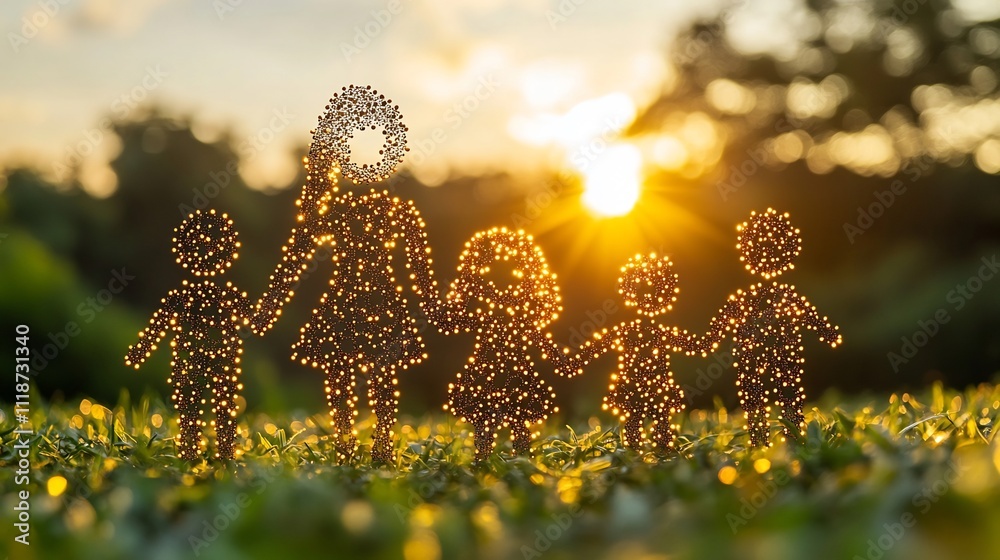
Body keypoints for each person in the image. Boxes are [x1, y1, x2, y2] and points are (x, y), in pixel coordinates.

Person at [252, 85, 443, 463]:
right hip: (352, 301)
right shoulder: (341, 211)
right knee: (346, 372)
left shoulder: (393, 213)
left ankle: (380, 442)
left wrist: (438, 310)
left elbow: (421, 272)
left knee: (379, 374)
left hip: (375, 301)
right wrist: (269, 307)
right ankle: (347, 441)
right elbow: (298, 252)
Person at [705, 208, 842, 447]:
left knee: (782, 395)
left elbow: (807, 314)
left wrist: (825, 331)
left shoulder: (771, 296)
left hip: (778, 351)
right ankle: (767, 438)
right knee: (765, 396)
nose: (767, 252)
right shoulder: (755, 297)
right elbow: (724, 321)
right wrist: (825, 331)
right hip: (761, 353)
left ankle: (785, 437)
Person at [441, 227, 576, 461]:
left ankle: (520, 458)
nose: (499, 280)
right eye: (487, 271)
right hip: (488, 373)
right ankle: (484, 458)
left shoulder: (518, 317)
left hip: (514, 375)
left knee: (518, 421)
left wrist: (561, 359)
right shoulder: (487, 315)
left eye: (514, 270)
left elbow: (539, 339)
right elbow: (450, 322)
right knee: (485, 421)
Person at [125, 209, 250, 461]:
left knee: (200, 410)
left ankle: (207, 453)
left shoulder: (192, 296)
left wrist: (140, 351)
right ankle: (208, 453)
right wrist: (140, 350)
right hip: (207, 360)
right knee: (204, 410)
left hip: (199, 360)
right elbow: (257, 321)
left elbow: (157, 326)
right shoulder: (218, 295)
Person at [561, 254, 702, 450]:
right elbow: (698, 346)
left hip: (643, 388)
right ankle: (648, 457)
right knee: (643, 427)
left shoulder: (641, 331)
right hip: (645, 389)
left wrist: (571, 362)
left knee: (650, 427)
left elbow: (697, 346)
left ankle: (647, 456)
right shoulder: (644, 332)